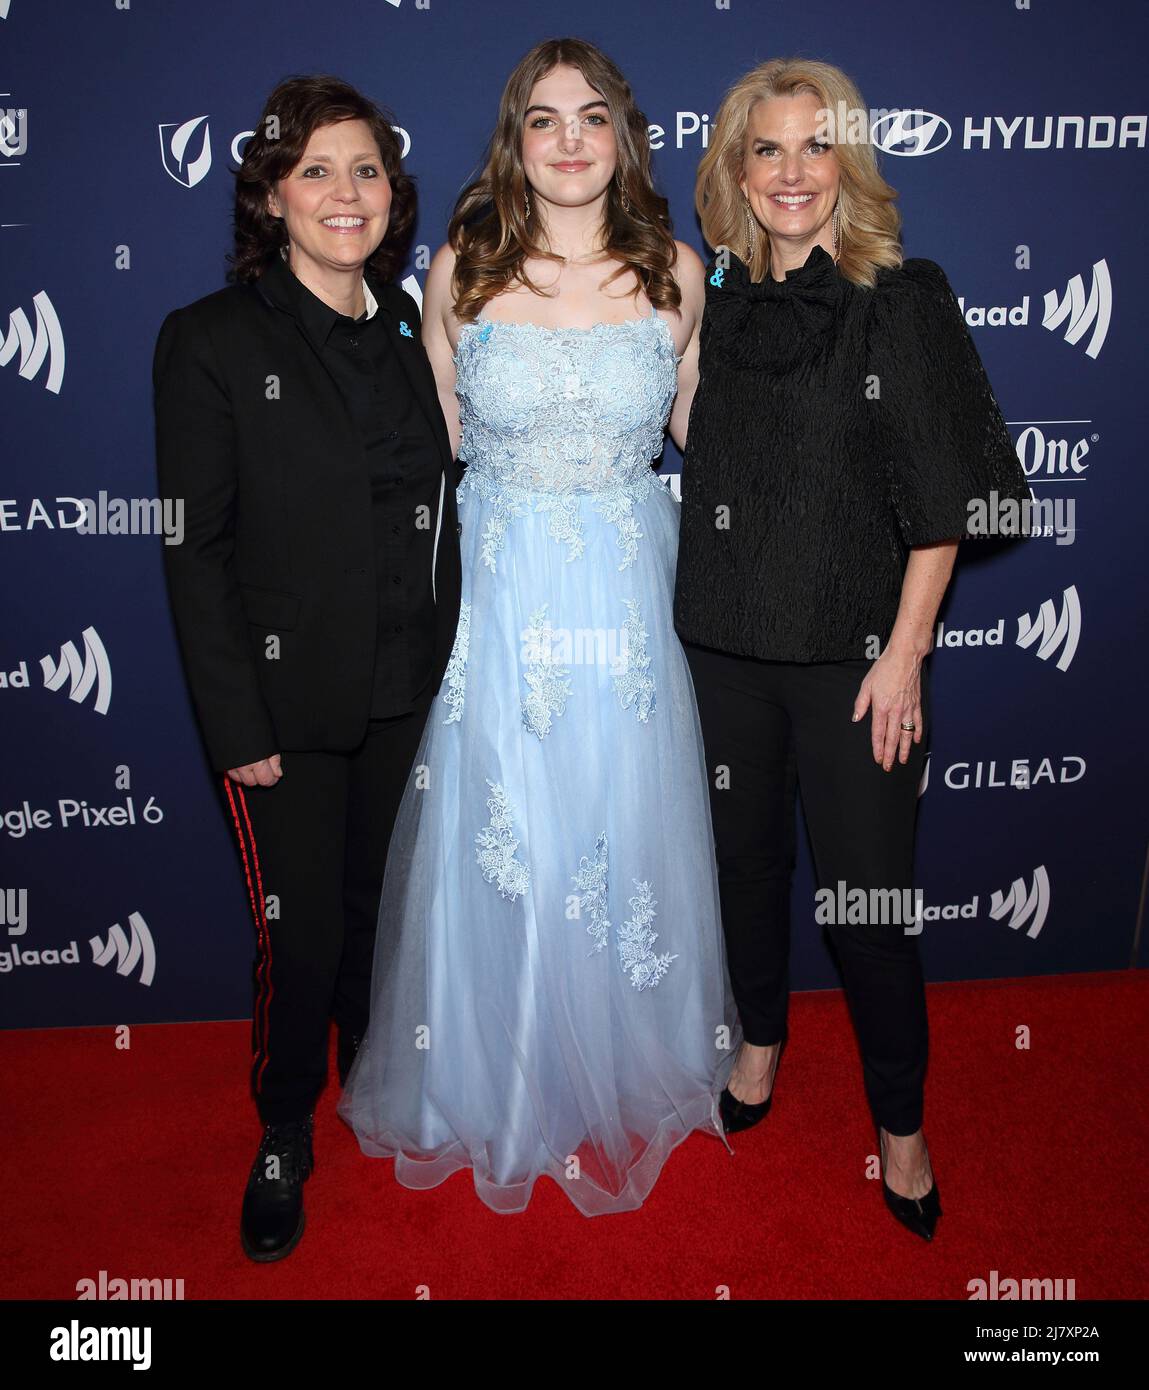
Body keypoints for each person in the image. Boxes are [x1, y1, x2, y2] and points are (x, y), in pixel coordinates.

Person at [337, 38, 741, 1216]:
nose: (569, 140)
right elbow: (428, 454)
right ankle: (495, 1074)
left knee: (618, 831)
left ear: (625, 137)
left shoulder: (676, 271)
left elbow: (711, 441)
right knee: (506, 838)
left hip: (625, 608)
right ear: (514, 140)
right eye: (544, 120)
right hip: (501, 602)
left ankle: (627, 1057)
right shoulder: (460, 267)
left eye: (594, 117)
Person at [673, 58, 1031, 1240]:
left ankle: (901, 1129)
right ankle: (761, 1046)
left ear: (848, 164)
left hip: (854, 662)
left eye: (813, 147)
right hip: (722, 648)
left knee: (870, 908)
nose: (790, 172)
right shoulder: (714, 301)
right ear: (734, 170)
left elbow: (943, 501)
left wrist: (905, 655)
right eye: (764, 150)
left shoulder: (900, 297)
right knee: (742, 876)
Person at [154, 75, 461, 1261]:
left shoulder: (406, 330)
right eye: (318, 171)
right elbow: (198, 550)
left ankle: (369, 1085)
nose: (347, 193)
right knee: (304, 933)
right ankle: (284, 1128)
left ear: (395, 193)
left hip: (406, 689)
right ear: (274, 195)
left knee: (382, 919)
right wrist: (234, 717)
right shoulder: (211, 341)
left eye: (368, 170)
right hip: (282, 703)